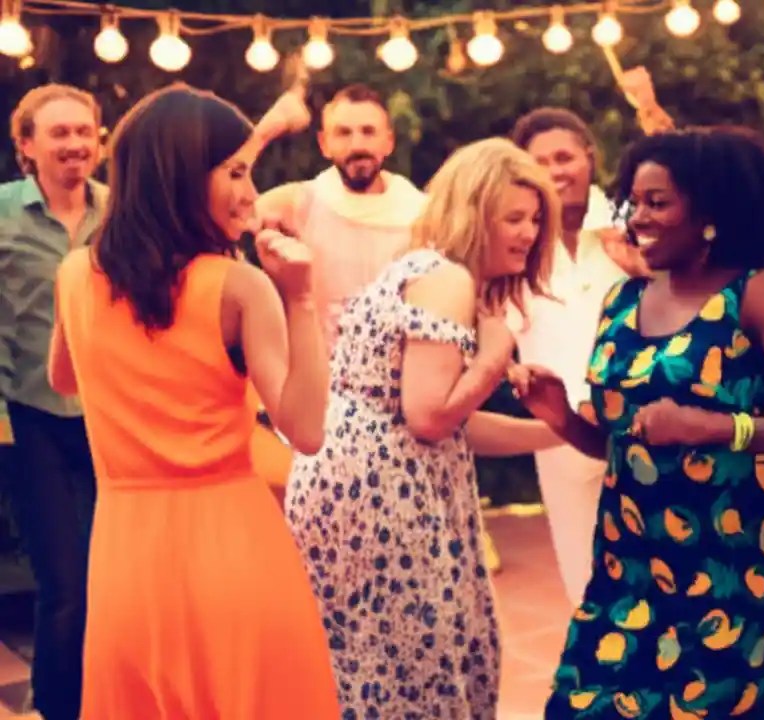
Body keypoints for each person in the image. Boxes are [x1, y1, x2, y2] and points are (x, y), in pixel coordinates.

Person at [512, 126, 764, 719]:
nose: (637, 216)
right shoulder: (621, 302)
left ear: (710, 214)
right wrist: (561, 416)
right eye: (634, 202)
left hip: (738, 567)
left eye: (658, 202)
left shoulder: (758, 295)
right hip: (631, 562)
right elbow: (619, 444)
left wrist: (715, 428)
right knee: (581, 705)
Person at [47, 84, 339, 717]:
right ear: (181, 175)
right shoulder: (239, 287)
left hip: (127, 553)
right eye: (236, 172)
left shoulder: (74, 273)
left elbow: (63, 379)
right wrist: (302, 300)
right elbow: (307, 430)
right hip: (231, 548)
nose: (250, 193)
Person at [285, 137, 559, 719]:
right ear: (471, 213)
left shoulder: (432, 273)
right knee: (410, 669)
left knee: (373, 666)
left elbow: (450, 424)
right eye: (512, 218)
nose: (529, 233)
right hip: (378, 499)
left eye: (535, 219)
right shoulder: (446, 280)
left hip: (363, 480)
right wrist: (494, 354)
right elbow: (430, 417)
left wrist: (558, 433)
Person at [504, 105, 655, 604]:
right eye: (539, 161)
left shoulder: (634, 224)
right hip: (561, 434)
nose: (555, 171)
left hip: (645, 428)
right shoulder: (515, 244)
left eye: (565, 156)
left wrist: (644, 270)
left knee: (662, 577)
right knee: (588, 584)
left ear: (590, 157)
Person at [0, 83, 105, 720]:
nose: (73, 144)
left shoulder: (119, 213)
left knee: (111, 575)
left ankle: (105, 697)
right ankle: (60, 707)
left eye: (83, 132)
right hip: (29, 417)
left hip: (109, 420)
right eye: (58, 133)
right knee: (64, 584)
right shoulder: (4, 214)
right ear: (27, 146)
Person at [257, 83, 425, 346]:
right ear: (324, 144)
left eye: (368, 132)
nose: (357, 144)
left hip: (399, 375)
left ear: (389, 141)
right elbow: (224, 207)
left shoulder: (420, 211)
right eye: (343, 133)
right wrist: (266, 130)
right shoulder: (302, 201)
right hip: (321, 372)